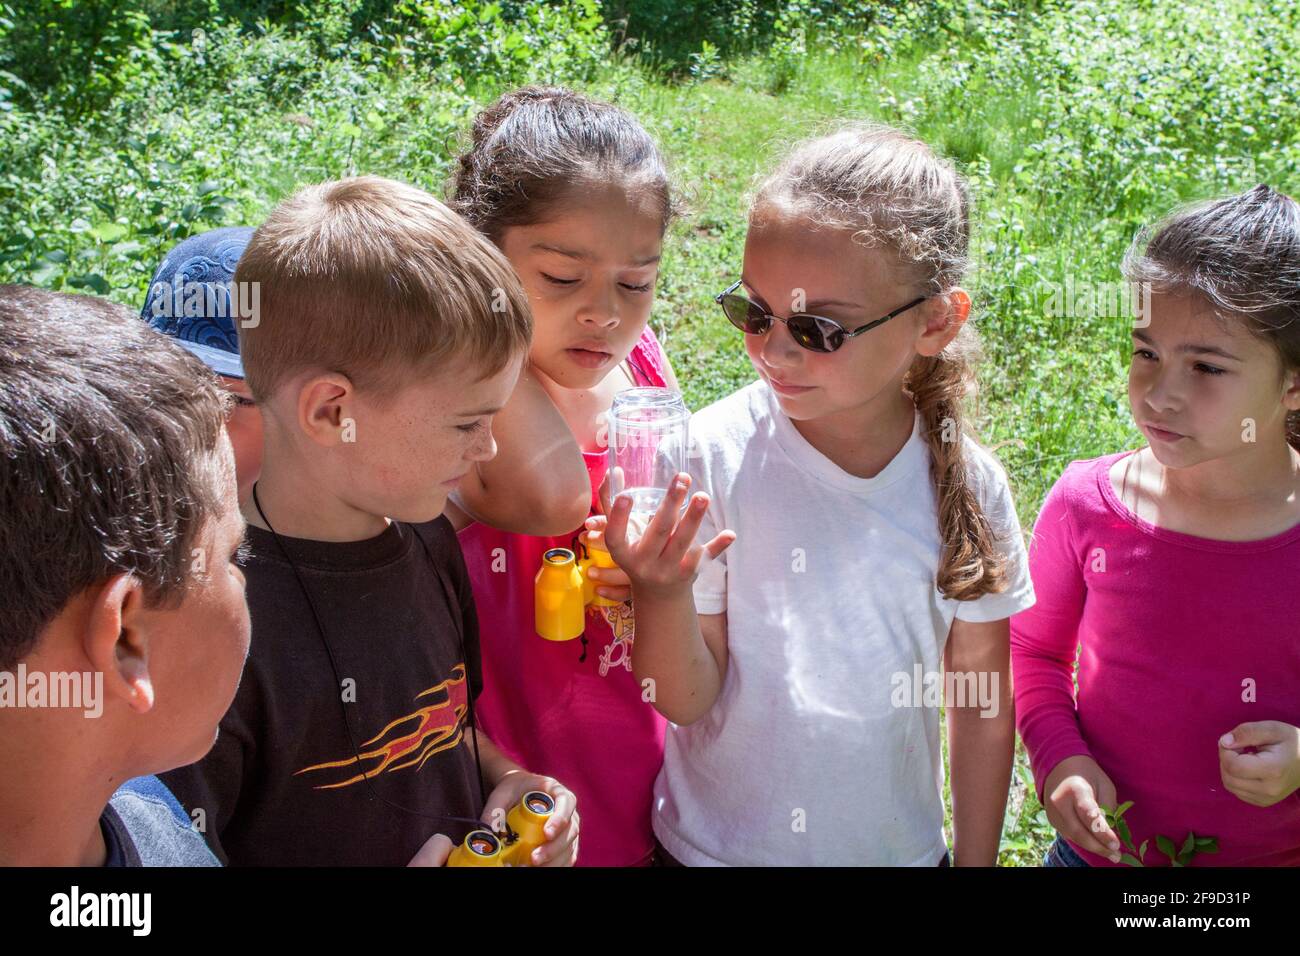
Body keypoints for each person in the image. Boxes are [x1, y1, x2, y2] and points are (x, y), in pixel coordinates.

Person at [597, 123, 1036, 865]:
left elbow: (982, 711)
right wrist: (659, 592)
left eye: (819, 327)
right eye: (754, 312)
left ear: (935, 322)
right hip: (712, 851)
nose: (775, 349)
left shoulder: (967, 484)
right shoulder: (708, 456)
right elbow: (684, 699)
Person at [160, 176, 579, 866]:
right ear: (332, 413)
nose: (489, 448)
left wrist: (507, 783)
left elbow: (442, 729)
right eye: (467, 422)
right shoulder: (212, 630)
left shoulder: (427, 538)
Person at [1012, 184, 1300, 867]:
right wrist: (1061, 760)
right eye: (1147, 353)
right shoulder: (1087, 504)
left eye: (1206, 366)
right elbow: (1032, 651)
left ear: (1293, 384)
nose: (1160, 394)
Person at [447, 86, 681, 866]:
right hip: (514, 782)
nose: (605, 315)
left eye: (636, 282)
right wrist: (473, 307)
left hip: (639, 752)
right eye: (560, 277)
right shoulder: (468, 396)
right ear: (480, 259)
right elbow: (555, 495)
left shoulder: (644, 368)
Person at [0, 284, 248, 866]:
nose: (243, 584)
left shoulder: (140, 808)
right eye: (233, 558)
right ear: (126, 638)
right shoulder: (160, 833)